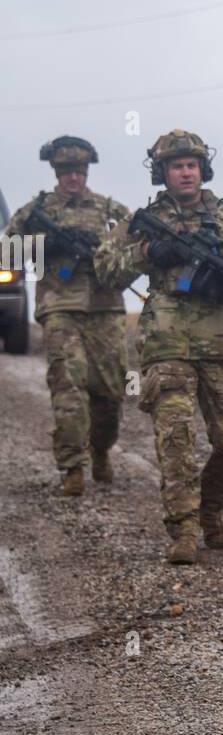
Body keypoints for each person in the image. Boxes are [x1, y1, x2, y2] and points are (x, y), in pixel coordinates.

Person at [94, 130, 223, 565]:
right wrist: (149, 252)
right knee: (176, 439)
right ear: (163, 172)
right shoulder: (143, 221)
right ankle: (184, 529)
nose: (186, 171)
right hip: (167, 341)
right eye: (176, 165)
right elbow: (105, 270)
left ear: (202, 168)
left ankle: (211, 512)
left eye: (192, 164)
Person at [5, 136, 128, 496]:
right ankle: (72, 468)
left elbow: (141, 252)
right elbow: (7, 255)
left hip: (106, 309)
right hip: (59, 308)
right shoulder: (35, 211)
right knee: (67, 386)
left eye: (79, 171)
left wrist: (108, 256)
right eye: (66, 172)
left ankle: (101, 448)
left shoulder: (111, 211)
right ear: (56, 172)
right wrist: (45, 245)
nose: (73, 178)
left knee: (109, 394)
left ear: (87, 172)